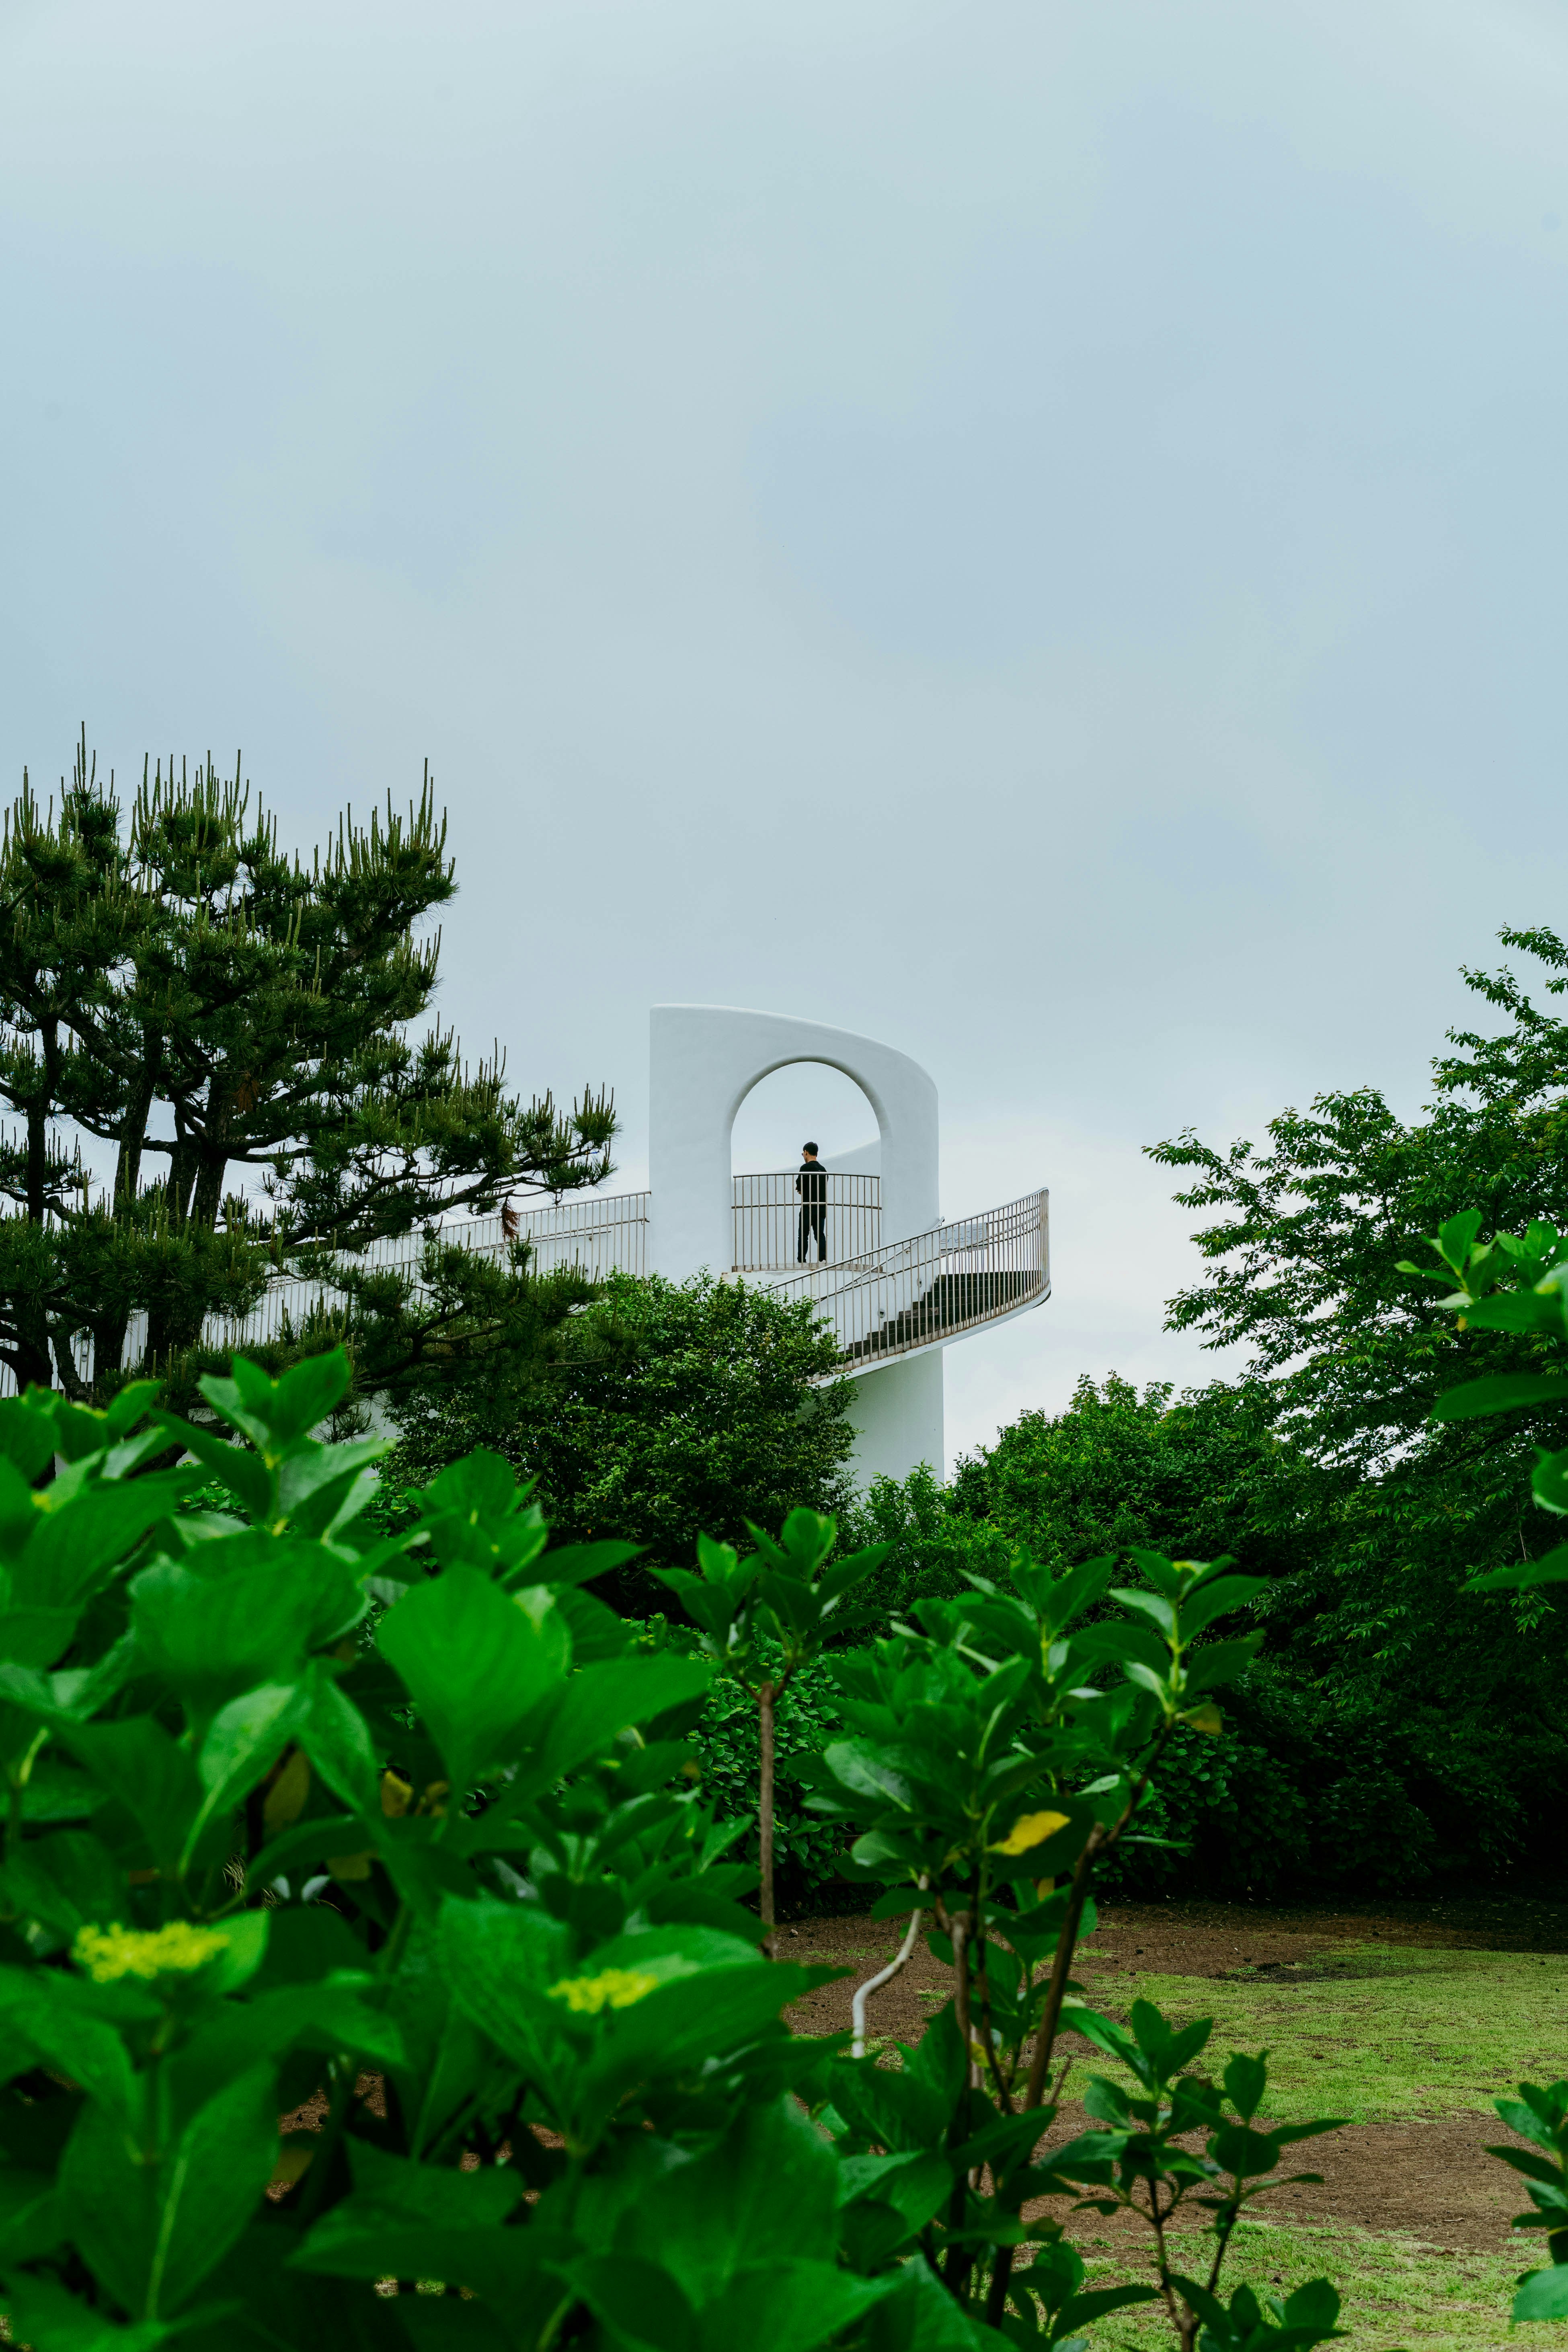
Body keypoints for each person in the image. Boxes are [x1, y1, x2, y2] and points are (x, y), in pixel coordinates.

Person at [796, 1141, 828, 1263]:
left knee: (804, 1235)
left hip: (807, 1207)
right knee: (820, 1234)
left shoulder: (805, 1168)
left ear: (806, 1152)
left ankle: (801, 1260)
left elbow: (799, 1186)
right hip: (821, 1207)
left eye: (803, 1153)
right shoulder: (823, 1170)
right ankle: (823, 1258)